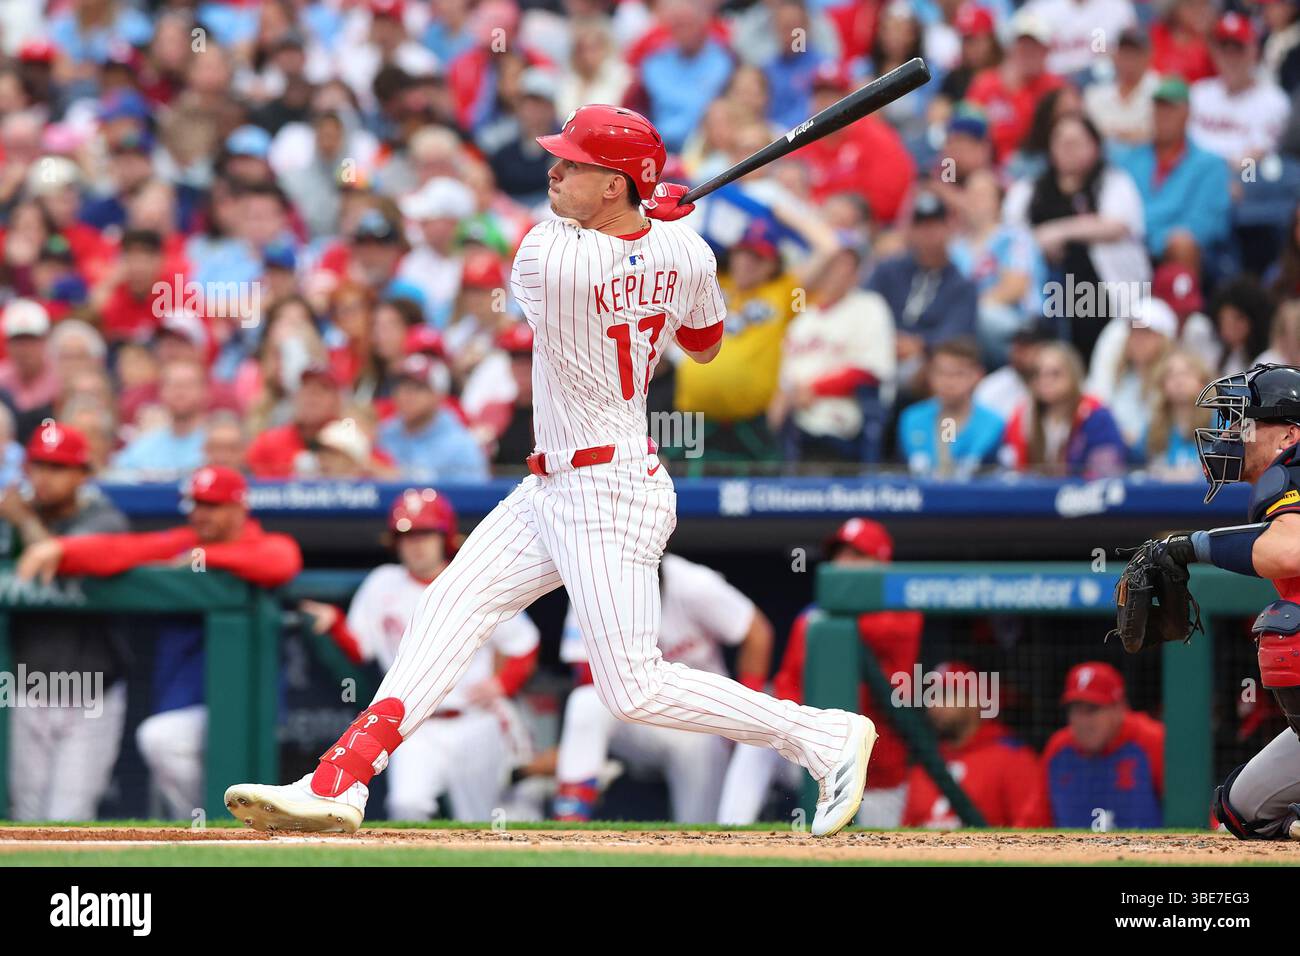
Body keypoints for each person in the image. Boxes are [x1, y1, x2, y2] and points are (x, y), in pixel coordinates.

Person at [224, 104, 875, 839]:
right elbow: (703, 342)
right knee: (448, 607)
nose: (554, 172)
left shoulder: (547, 255)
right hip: (552, 485)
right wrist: (661, 235)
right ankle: (340, 779)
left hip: (610, 490)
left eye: (575, 164)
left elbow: (675, 323)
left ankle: (818, 736)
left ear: (613, 186)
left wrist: (651, 230)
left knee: (632, 689)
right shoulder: (687, 251)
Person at [16, 465, 302, 819]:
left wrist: (208, 557)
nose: (201, 513)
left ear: (238, 508)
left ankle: (213, 821)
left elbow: (282, 559)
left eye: (213, 505)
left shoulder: (255, 544)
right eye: (197, 504)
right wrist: (60, 549)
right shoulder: (183, 541)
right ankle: (208, 823)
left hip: (247, 702)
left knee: (164, 739)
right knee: (163, 741)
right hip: (187, 699)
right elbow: (121, 550)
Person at [1120, 364, 1300, 840]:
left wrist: (1191, 545)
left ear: (1289, 434)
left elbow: (1289, 548)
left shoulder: (1294, 466)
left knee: (1288, 631)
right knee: (1243, 808)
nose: (1230, 434)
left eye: (1244, 422)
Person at [300, 489, 540, 821]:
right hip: (415, 725)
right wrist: (337, 624)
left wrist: (503, 684)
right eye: (407, 534)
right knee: (407, 805)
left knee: (483, 819)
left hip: (474, 717)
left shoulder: (473, 580)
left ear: (445, 538)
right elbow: (361, 647)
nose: (416, 543)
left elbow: (523, 642)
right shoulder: (383, 583)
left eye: (426, 533)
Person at [718, 519, 923, 828]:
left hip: (877, 773)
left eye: (857, 556)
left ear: (881, 564)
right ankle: (729, 833)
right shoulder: (813, 618)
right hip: (819, 757)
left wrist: (825, 619)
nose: (843, 564)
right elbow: (788, 685)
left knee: (880, 854)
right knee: (760, 727)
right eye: (839, 555)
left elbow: (870, 629)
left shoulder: (903, 614)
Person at [554, 553, 773, 823]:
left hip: (695, 720)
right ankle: (569, 823)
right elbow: (587, 675)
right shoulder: (592, 590)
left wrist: (740, 721)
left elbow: (757, 633)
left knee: (701, 777)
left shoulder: (694, 584)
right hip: (632, 717)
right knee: (586, 701)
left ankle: (699, 846)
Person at [2, 422, 129, 821]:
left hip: (91, 693)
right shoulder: (10, 518)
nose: (45, 477)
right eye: (38, 465)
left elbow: (58, 559)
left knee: (68, 816)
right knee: (26, 816)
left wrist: (22, 520)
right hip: (27, 687)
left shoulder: (104, 519)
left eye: (58, 467)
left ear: (82, 474)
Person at [767, 246, 895, 461]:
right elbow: (787, 377)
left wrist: (814, 389)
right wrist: (785, 397)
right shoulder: (803, 317)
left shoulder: (869, 306)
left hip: (846, 425)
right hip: (797, 424)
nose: (836, 272)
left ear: (856, 274)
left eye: (845, 265)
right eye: (832, 264)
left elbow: (869, 371)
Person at [1018, 663, 1164, 829]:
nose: (1083, 721)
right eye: (1076, 710)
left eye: (1092, 710)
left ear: (1119, 708)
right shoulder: (1059, 748)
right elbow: (1034, 820)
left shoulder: (1152, 740)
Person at [900, 661, 1041, 829]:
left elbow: (1030, 834)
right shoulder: (926, 763)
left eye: (946, 695)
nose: (935, 706)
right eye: (931, 696)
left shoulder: (1013, 757)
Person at [1109, 76, 1231, 269]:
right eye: (1159, 109)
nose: (1163, 116)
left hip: (1173, 248)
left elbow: (1204, 224)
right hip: (1126, 243)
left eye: (1171, 109)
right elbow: (1115, 207)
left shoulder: (1210, 164)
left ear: (1187, 113)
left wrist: (1148, 231)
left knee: (1182, 242)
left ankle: (1184, 298)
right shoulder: (1129, 159)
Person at [867, 190, 978, 399]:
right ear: (911, 231)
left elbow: (957, 334)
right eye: (922, 226)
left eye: (935, 226)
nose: (928, 234)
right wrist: (887, 339)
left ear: (949, 228)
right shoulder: (888, 270)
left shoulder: (961, 284)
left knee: (928, 371)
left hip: (925, 359)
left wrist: (920, 344)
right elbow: (864, 307)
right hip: (878, 347)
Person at [1001, 340, 1128, 477]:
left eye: (1055, 373)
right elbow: (1012, 472)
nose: (1045, 380)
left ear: (1073, 374)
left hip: (1083, 494)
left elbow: (1107, 473)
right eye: (1038, 373)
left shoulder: (1096, 415)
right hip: (1037, 495)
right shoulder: (1023, 417)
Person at [898, 337, 1004, 478]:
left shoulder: (994, 423)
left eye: (958, 374)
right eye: (941, 373)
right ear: (929, 374)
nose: (948, 382)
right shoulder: (911, 418)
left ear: (977, 375)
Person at [377, 353, 490, 481]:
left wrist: (397, 477)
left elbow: (472, 497)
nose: (405, 395)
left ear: (438, 395)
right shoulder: (383, 434)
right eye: (400, 386)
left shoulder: (461, 444)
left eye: (418, 388)